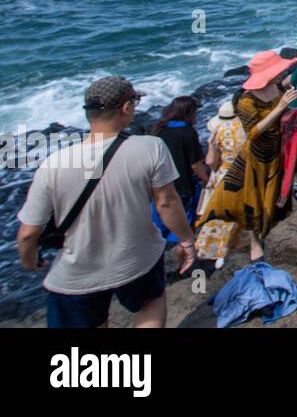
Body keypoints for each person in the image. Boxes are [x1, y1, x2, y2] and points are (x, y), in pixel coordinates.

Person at [15, 76, 197, 328]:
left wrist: (29, 261)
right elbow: (167, 204)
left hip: (77, 273)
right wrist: (187, 241)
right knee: (151, 304)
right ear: (126, 107)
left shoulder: (53, 165)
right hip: (138, 258)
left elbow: (27, 233)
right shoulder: (150, 147)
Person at [193, 51, 297, 263]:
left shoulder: (275, 87)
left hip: (277, 149)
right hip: (258, 157)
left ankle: (276, 235)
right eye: (278, 71)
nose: (282, 73)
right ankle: (256, 244)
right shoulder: (246, 100)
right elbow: (252, 133)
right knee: (256, 200)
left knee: (279, 195)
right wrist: (279, 108)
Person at [194, 100, 249, 267]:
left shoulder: (219, 132)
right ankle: (245, 244)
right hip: (247, 172)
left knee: (222, 215)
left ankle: (220, 252)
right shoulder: (247, 126)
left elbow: (210, 161)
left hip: (226, 173)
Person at [148, 95, 209, 237]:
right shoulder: (188, 132)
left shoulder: (158, 129)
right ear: (190, 113)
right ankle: (185, 256)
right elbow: (195, 165)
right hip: (182, 186)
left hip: (158, 185)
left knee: (158, 227)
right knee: (183, 231)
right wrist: (208, 181)